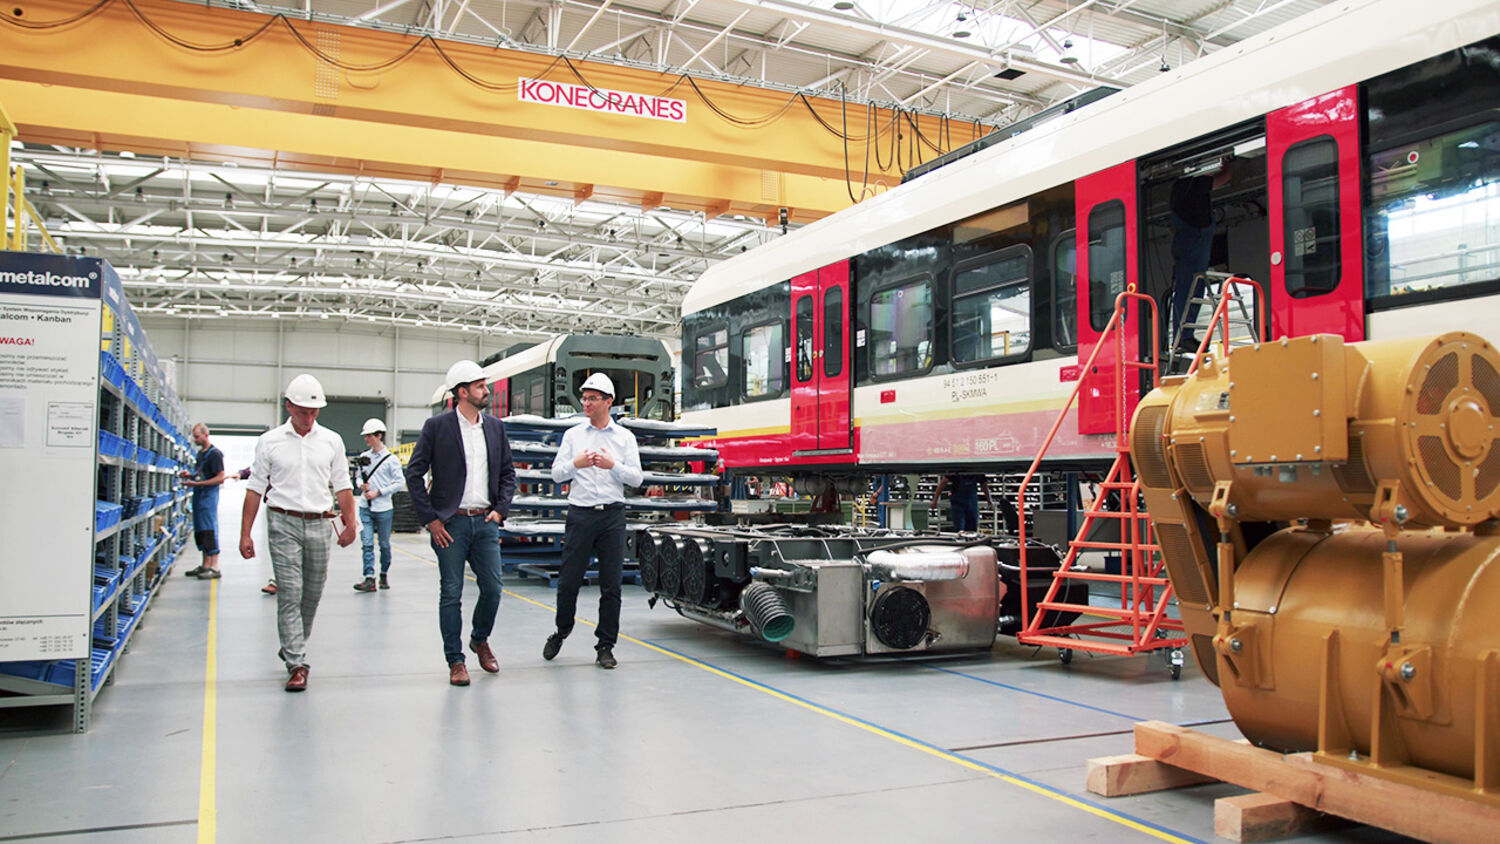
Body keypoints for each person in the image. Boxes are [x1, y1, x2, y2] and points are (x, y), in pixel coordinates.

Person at [239, 374, 358, 693]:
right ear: (289, 406)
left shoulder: (331, 441)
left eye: (314, 411)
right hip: (282, 522)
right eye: (303, 410)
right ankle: (297, 663)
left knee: (313, 592)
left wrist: (351, 523)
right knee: (290, 591)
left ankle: (292, 644)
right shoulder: (270, 441)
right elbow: (255, 487)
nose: (309, 417)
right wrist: (245, 534)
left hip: (320, 523)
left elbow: (343, 484)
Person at [404, 360, 516, 687]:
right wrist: (431, 520)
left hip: (484, 522)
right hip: (450, 524)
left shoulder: (495, 427)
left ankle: (480, 638)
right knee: (451, 593)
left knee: (493, 588)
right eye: (481, 386)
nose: (487, 390)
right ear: (462, 392)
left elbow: (508, 474)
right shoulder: (436, 427)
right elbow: (414, 474)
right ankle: (456, 660)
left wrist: (500, 510)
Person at [544, 373, 642, 670]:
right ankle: (562, 630)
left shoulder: (625, 438)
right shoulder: (573, 435)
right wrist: (577, 464)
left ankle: (605, 645)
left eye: (592, 398)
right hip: (581, 514)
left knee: (611, 585)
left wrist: (613, 466)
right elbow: (556, 473)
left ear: (608, 402)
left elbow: (637, 478)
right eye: (584, 398)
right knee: (569, 580)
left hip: (612, 516)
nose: (585, 403)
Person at [1169, 163, 1232, 350]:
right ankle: (1185, 335)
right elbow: (1224, 178)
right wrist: (1230, 164)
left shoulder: (1179, 189)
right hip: (1195, 240)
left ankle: (1182, 334)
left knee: (1184, 288)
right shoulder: (1197, 183)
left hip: (1185, 241)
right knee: (1193, 288)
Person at [351, 417, 406, 593]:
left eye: (369, 436)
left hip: (383, 508)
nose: (367, 439)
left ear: (379, 436)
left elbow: (399, 482)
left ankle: (383, 573)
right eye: (366, 436)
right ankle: (369, 577)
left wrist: (379, 492)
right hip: (366, 507)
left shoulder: (391, 460)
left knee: (384, 544)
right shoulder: (364, 458)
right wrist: (361, 484)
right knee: (367, 542)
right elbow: (358, 476)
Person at [180, 423, 226, 579]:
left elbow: (220, 478)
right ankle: (205, 564)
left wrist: (197, 484)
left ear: (206, 435)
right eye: (194, 436)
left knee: (209, 528)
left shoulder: (215, 454)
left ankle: (214, 566)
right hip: (199, 496)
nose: (195, 440)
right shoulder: (200, 454)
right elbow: (201, 474)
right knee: (200, 529)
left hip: (208, 497)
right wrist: (190, 476)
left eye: (197, 436)